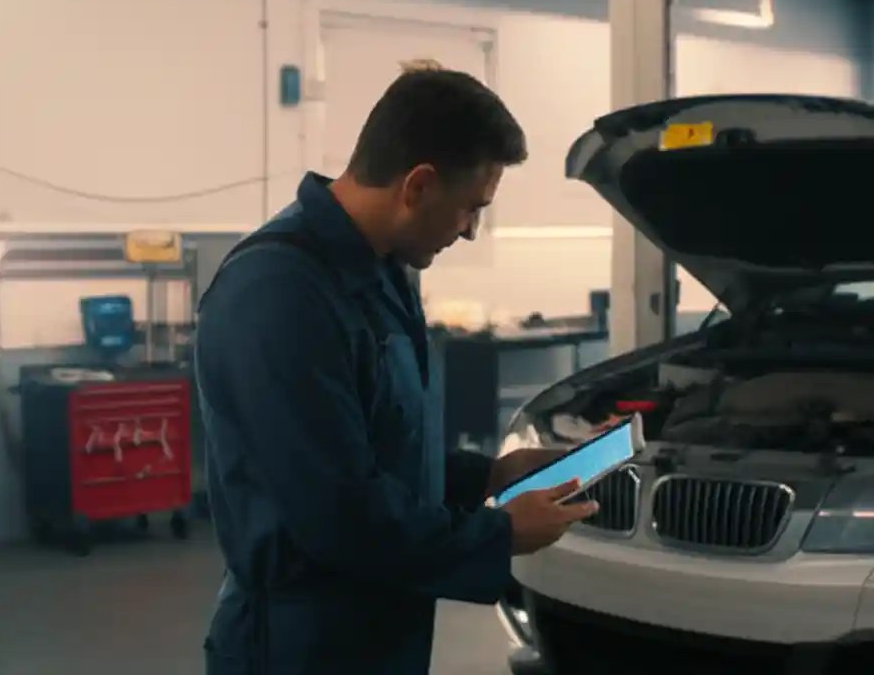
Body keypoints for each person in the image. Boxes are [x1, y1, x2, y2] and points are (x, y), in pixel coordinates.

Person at [194, 65, 599, 675]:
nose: (470, 232)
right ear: (418, 185)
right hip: (301, 645)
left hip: (380, 623)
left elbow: (384, 445)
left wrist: (487, 475)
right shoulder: (278, 293)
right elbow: (337, 512)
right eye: (470, 208)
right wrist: (499, 535)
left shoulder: (385, 270)